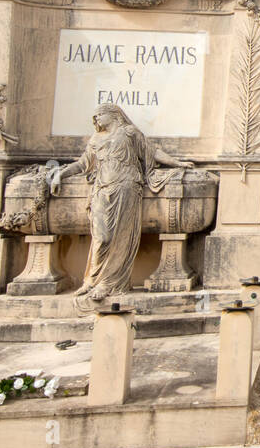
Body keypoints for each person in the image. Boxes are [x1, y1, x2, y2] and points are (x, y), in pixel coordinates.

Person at [48, 104, 193, 312]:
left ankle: (109, 283)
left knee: (121, 238)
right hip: (101, 190)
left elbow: (151, 151)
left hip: (126, 188)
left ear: (113, 114)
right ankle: (92, 279)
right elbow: (82, 164)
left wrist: (176, 163)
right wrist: (60, 174)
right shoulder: (96, 139)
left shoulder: (129, 133)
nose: (96, 119)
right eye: (94, 116)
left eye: (99, 115)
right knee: (102, 237)